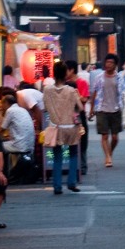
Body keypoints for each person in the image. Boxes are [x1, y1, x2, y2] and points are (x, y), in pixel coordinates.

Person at [43, 62, 84, 194]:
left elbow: (45, 107)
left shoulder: (47, 90)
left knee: (57, 156)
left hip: (56, 127)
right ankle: (72, 182)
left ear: (54, 74)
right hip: (71, 126)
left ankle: (57, 186)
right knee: (73, 154)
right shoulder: (71, 91)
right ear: (66, 74)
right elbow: (81, 107)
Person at [90, 53, 125, 168]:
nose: (108, 64)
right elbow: (94, 92)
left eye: (111, 63)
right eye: (107, 62)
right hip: (102, 109)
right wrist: (91, 109)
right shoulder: (99, 77)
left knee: (115, 137)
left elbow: (121, 93)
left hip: (115, 109)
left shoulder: (119, 78)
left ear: (115, 65)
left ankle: (110, 153)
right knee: (104, 136)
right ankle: (108, 157)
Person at [65, 60, 91, 174]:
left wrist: (75, 96)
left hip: (79, 114)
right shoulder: (65, 83)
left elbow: (85, 99)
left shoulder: (82, 82)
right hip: (67, 114)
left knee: (82, 138)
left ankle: (83, 165)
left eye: (66, 70)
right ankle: (69, 166)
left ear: (71, 70)